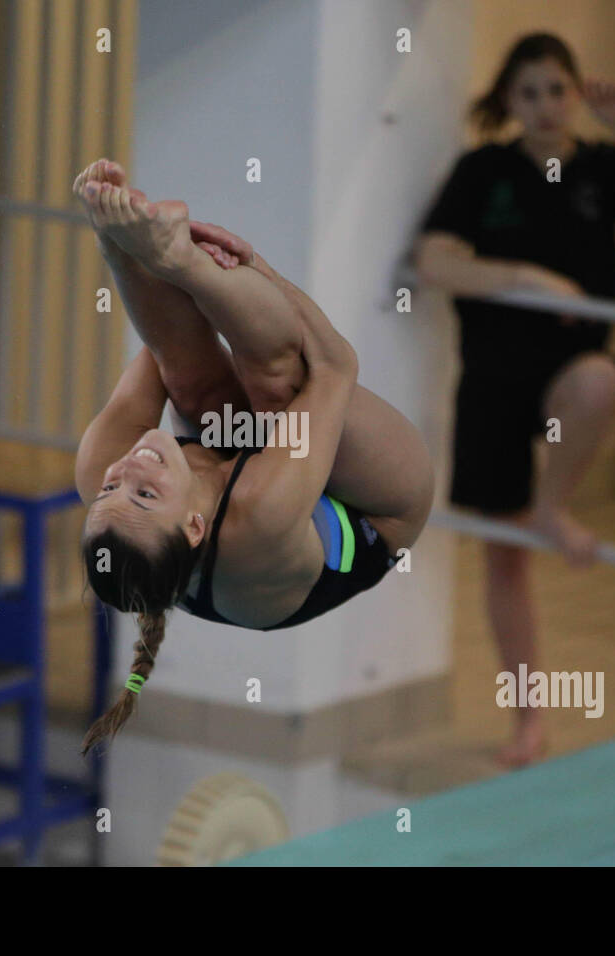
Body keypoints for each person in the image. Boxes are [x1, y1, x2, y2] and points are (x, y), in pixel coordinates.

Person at [412, 32, 615, 765]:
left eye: (557, 89)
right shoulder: (485, 170)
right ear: (508, 102)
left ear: (577, 94)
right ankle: (529, 719)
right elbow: (436, 261)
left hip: (572, 367)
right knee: (505, 561)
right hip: (494, 378)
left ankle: (555, 504)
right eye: (528, 92)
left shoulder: (604, 168)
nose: (545, 106)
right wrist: (531, 281)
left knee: (603, 379)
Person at [72, 160, 434, 753]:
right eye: (143, 492)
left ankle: (142, 247)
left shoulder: (101, 469)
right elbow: (336, 367)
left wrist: (120, 245)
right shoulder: (256, 518)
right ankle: (181, 259)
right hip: (373, 515)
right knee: (281, 386)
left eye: (111, 491)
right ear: (194, 525)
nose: (127, 470)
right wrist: (250, 268)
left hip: (238, 481)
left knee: (188, 378)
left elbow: (166, 344)